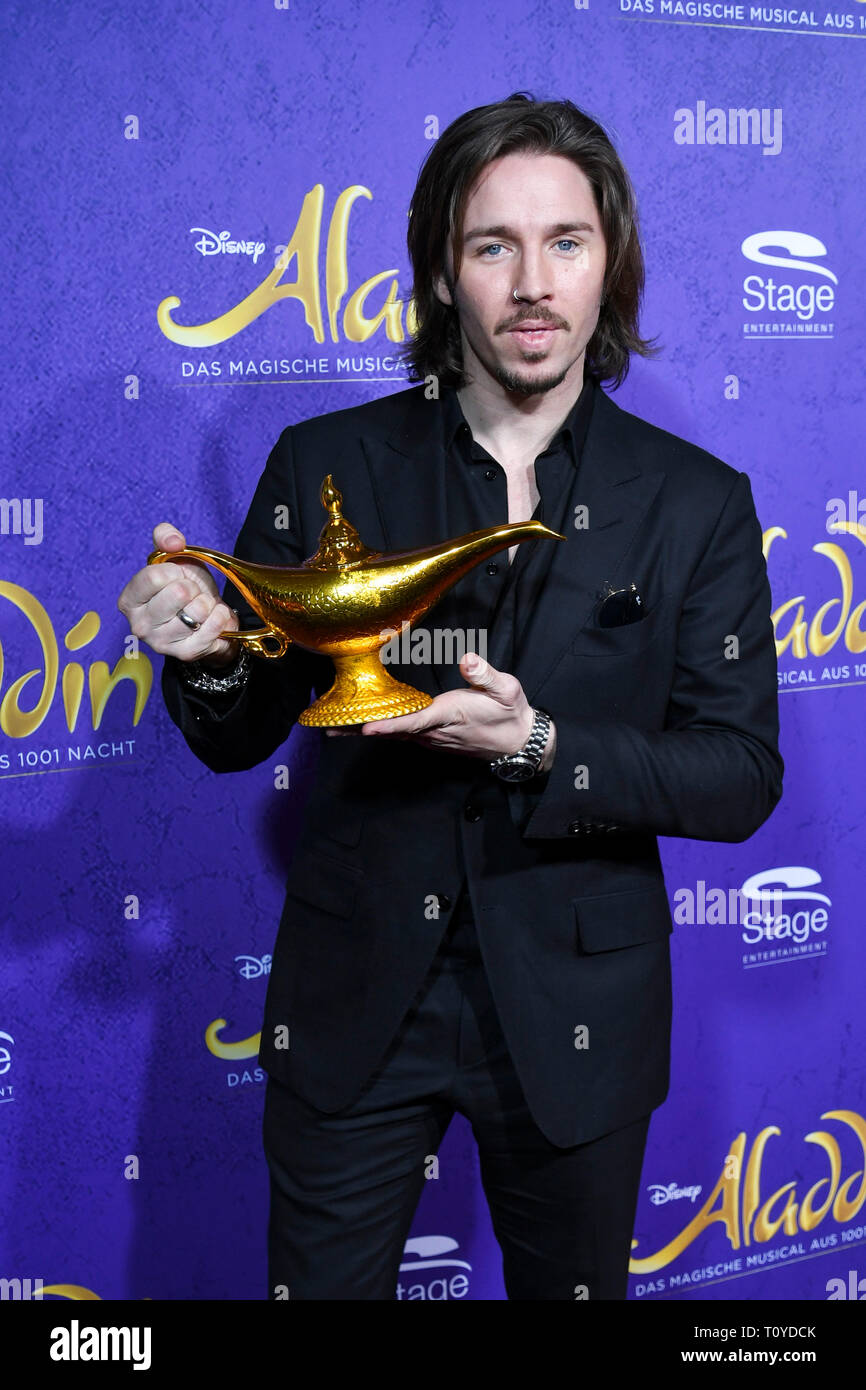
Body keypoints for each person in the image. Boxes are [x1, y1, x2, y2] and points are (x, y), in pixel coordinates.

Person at [117, 93, 783, 1300]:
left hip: (578, 1010)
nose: (532, 283)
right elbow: (237, 732)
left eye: (564, 243)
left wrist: (536, 742)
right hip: (353, 1005)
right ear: (441, 268)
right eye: (493, 246)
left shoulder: (696, 500)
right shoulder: (327, 463)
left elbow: (738, 775)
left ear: (608, 263)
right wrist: (205, 650)